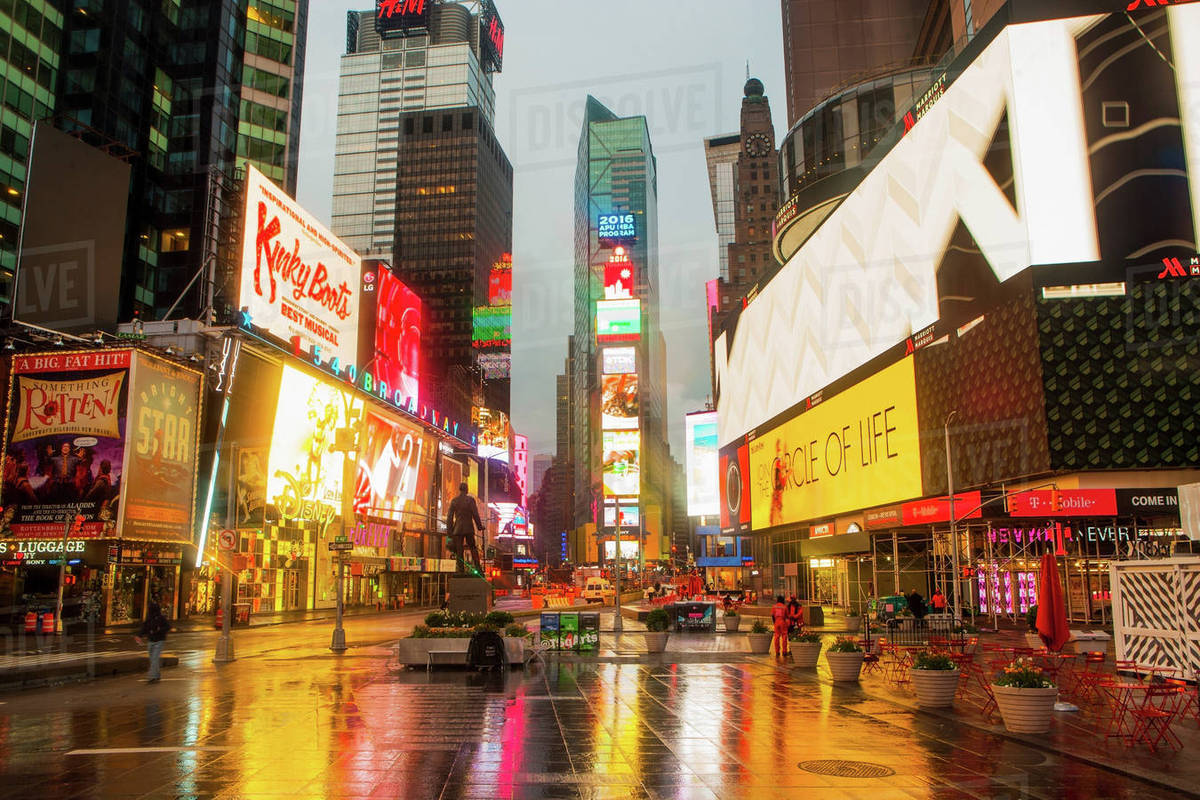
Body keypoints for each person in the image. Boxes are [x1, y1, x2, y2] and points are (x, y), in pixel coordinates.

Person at [444, 483, 483, 571]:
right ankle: (478, 567)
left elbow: (449, 517)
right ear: (467, 490)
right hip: (468, 528)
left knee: (459, 549)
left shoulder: (454, 501)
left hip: (458, 529)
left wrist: (449, 531)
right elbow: (475, 514)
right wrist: (479, 526)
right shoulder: (470, 500)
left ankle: (460, 569)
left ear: (459, 489)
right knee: (473, 547)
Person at [135, 600, 170, 683]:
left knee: (154, 658)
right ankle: (157, 675)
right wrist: (139, 635)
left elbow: (167, 627)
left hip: (159, 641)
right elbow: (145, 627)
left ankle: (152, 676)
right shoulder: (149, 618)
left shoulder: (161, 618)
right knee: (153, 659)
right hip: (151, 640)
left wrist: (159, 630)